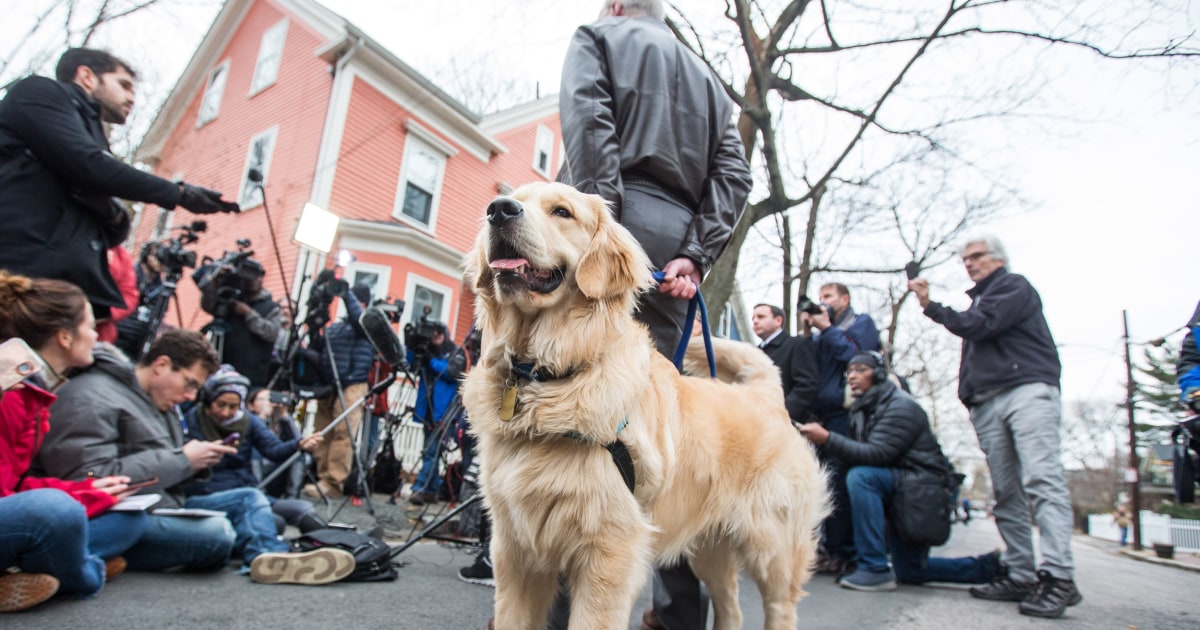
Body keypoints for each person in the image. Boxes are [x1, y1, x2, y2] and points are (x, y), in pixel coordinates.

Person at [555, 1, 752, 628]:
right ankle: (677, 611)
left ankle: (557, 609)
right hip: (672, 251)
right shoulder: (711, 83)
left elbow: (589, 124)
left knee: (574, 417)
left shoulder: (597, 34)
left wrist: (601, 226)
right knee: (652, 423)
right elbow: (734, 175)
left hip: (605, 225)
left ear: (617, 4)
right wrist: (695, 253)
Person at [33, 329, 353, 584]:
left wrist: (196, 461)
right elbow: (85, 477)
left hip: (164, 502)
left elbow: (167, 462)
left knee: (250, 498)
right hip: (120, 514)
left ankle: (267, 557)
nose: (189, 396)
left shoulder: (161, 402)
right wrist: (186, 460)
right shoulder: (93, 395)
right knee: (217, 534)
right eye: (189, 384)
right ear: (161, 365)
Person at [908, 235, 1081, 618]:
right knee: (1006, 493)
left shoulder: (1013, 288)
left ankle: (1058, 576)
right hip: (987, 402)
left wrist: (931, 306)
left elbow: (980, 326)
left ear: (998, 258)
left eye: (976, 256)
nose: (969, 263)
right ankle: (1021, 573)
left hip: (1026, 391)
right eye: (965, 259)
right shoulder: (981, 299)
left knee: (1041, 479)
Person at [0, 47, 238, 322]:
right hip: (17, 276)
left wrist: (110, 210)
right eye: (123, 85)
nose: (131, 98)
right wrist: (178, 193)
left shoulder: (94, 135)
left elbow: (112, 217)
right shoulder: (39, 94)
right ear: (87, 76)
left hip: (63, 290)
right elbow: (88, 165)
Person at [0, 271, 147, 608]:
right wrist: (79, 500)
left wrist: (89, 490)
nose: (98, 335)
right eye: (91, 326)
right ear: (65, 336)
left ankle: (43, 569)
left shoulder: (35, 391)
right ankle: (84, 571)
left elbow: (15, 485)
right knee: (58, 512)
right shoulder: (11, 392)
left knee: (130, 519)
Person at [796, 352, 1001, 592]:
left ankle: (873, 567)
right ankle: (988, 568)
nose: (852, 376)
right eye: (849, 371)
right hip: (901, 489)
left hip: (920, 491)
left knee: (862, 477)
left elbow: (878, 454)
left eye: (860, 369)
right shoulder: (863, 410)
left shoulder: (901, 406)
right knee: (911, 571)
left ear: (881, 374)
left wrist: (828, 438)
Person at [184, 366, 327, 534]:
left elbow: (274, 449)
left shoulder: (248, 421)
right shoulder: (193, 419)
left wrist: (299, 443)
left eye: (233, 406)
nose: (225, 412)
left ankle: (333, 546)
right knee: (275, 522)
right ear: (209, 400)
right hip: (209, 494)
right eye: (220, 405)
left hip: (247, 491)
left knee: (302, 509)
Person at [799, 282, 881, 576]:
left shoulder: (861, 324)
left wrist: (828, 328)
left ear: (845, 299)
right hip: (818, 415)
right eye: (820, 298)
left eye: (828, 297)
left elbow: (858, 360)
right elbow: (808, 365)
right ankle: (824, 547)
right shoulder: (822, 333)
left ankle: (842, 551)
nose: (823, 303)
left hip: (844, 415)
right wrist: (809, 332)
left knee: (839, 481)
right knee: (820, 482)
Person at [303, 284, 376, 500]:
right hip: (329, 383)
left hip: (353, 382)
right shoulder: (336, 327)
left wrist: (346, 294)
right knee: (322, 430)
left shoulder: (368, 322)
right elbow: (318, 346)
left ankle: (334, 482)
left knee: (343, 432)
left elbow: (359, 321)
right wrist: (315, 323)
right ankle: (321, 476)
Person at [195, 258, 281, 388]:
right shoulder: (230, 299)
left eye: (257, 277)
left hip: (252, 374)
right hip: (223, 365)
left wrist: (249, 314)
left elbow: (272, 333)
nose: (253, 281)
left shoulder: (271, 307)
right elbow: (209, 306)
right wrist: (216, 281)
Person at [407, 322, 466, 505]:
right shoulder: (427, 352)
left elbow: (452, 372)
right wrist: (411, 344)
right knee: (432, 451)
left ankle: (419, 488)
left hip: (445, 412)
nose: (436, 338)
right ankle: (432, 491)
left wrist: (431, 360)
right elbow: (411, 365)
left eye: (439, 334)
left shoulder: (455, 352)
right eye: (433, 334)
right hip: (428, 410)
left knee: (431, 451)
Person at [752, 303, 819, 424]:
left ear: (778, 320)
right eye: (753, 318)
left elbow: (807, 385)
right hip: (757, 422)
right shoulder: (754, 353)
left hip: (786, 424)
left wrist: (781, 413)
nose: (755, 321)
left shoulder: (797, 345)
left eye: (761, 317)